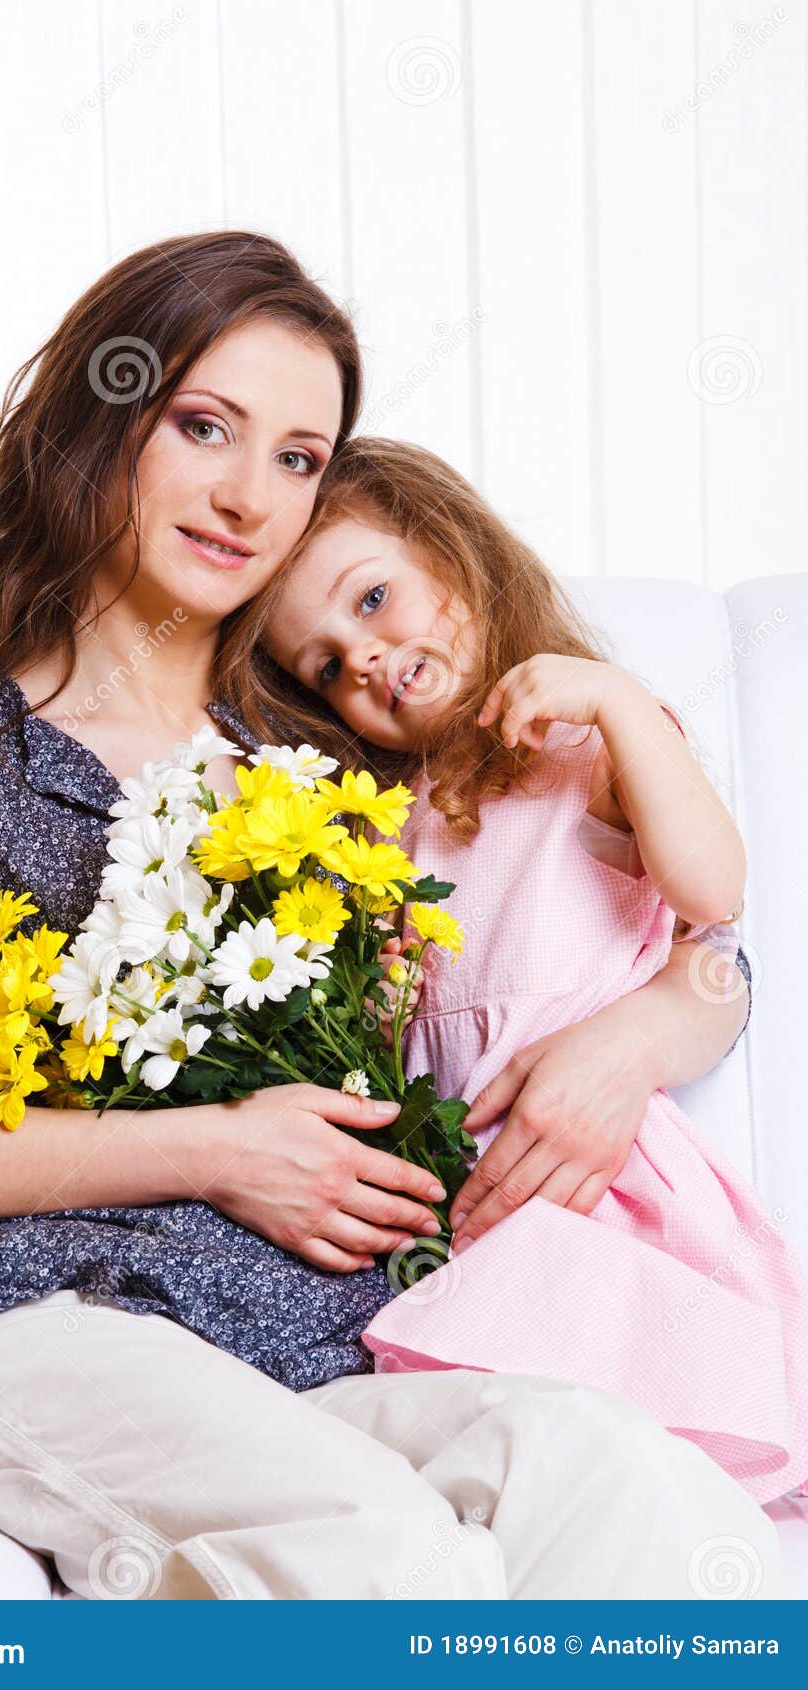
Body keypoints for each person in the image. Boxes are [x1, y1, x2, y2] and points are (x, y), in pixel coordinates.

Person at [0, 235, 784, 1599]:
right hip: (43, 1321)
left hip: (321, 1342)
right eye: (202, 426)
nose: (249, 494)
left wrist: (628, 1041)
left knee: (633, 1486)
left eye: (297, 457)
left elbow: (676, 938)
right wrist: (213, 1147)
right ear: (95, 431)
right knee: (381, 1558)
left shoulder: (341, 761)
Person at [228, 433, 808, 1505]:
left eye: (369, 599)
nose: (360, 658)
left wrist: (624, 706)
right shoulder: (383, 823)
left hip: (598, 1174)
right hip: (467, 1186)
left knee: (626, 1426)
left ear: (452, 553)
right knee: (503, 1449)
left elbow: (711, 891)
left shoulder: (584, 754)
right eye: (323, 664)